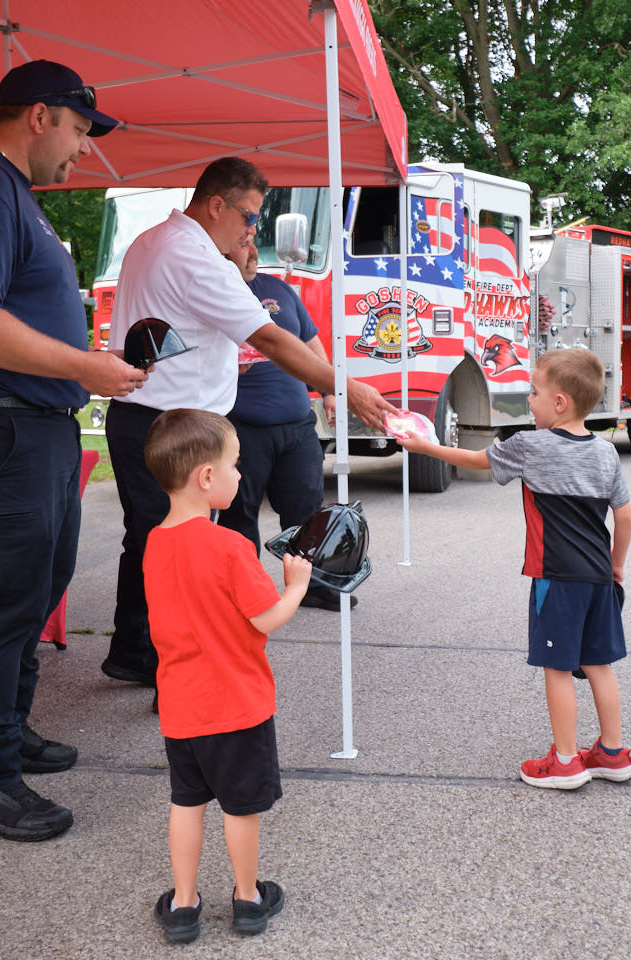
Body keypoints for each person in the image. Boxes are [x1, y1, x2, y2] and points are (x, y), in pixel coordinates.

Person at [0, 59, 148, 841]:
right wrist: (90, 367)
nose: (84, 150)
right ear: (40, 116)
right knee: (7, 597)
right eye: (81, 131)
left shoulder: (10, 191)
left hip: (27, 425)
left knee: (34, 586)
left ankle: (2, 733)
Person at [101, 157, 394, 689]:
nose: (252, 229)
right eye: (249, 216)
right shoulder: (198, 259)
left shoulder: (150, 240)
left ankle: (136, 649)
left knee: (148, 540)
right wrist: (344, 386)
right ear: (217, 205)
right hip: (177, 425)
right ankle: (177, 665)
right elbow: (272, 339)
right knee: (183, 548)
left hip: (141, 415)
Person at [396, 349, 631, 790]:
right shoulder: (606, 453)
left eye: (535, 391)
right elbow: (624, 517)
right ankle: (613, 754)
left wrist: (424, 446)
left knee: (558, 668)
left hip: (556, 579)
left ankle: (565, 760)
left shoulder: (530, 445)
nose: (529, 400)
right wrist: (617, 566)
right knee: (599, 663)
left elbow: (475, 461)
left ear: (560, 402)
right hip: (600, 578)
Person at [143, 409, 310, 942]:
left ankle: (185, 905)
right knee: (241, 808)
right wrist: (297, 585)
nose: (242, 475)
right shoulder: (231, 547)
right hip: (237, 705)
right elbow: (266, 618)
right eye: (235, 465)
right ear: (206, 478)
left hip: (181, 706)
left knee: (186, 802)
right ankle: (247, 899)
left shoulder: (152, 544)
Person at [217, 239, 352, 611]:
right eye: (241, 245)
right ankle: (243, 592)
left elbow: (311, 343)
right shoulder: (216, 294)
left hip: (296, 425)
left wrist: (327, 389)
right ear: (222, 254)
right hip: (241, 427)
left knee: (307, 511)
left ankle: (313, 585)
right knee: (238, 515)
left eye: (251, 243)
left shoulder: (278, 289)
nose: (253, 250)